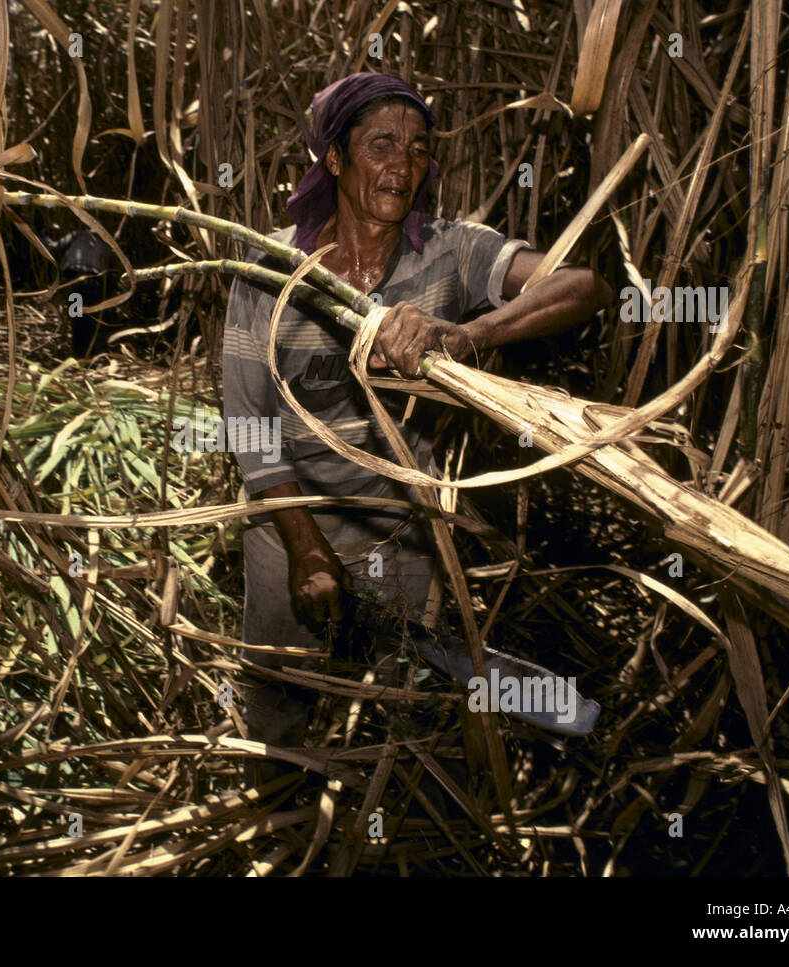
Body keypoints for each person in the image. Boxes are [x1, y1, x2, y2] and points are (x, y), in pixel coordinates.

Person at [221, 72, 613, 789]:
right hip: (288, 522)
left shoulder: (450, 252)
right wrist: (306, 550)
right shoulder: (270, 268)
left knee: (402, 703)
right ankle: (284, 805)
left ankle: (383, 821)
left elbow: (583, 286)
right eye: (381, 145)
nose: (401, 165)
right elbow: (247, 427)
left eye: (418, 148)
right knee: (282, 697)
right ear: (334, 159)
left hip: (400, 528)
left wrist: (466, 334)